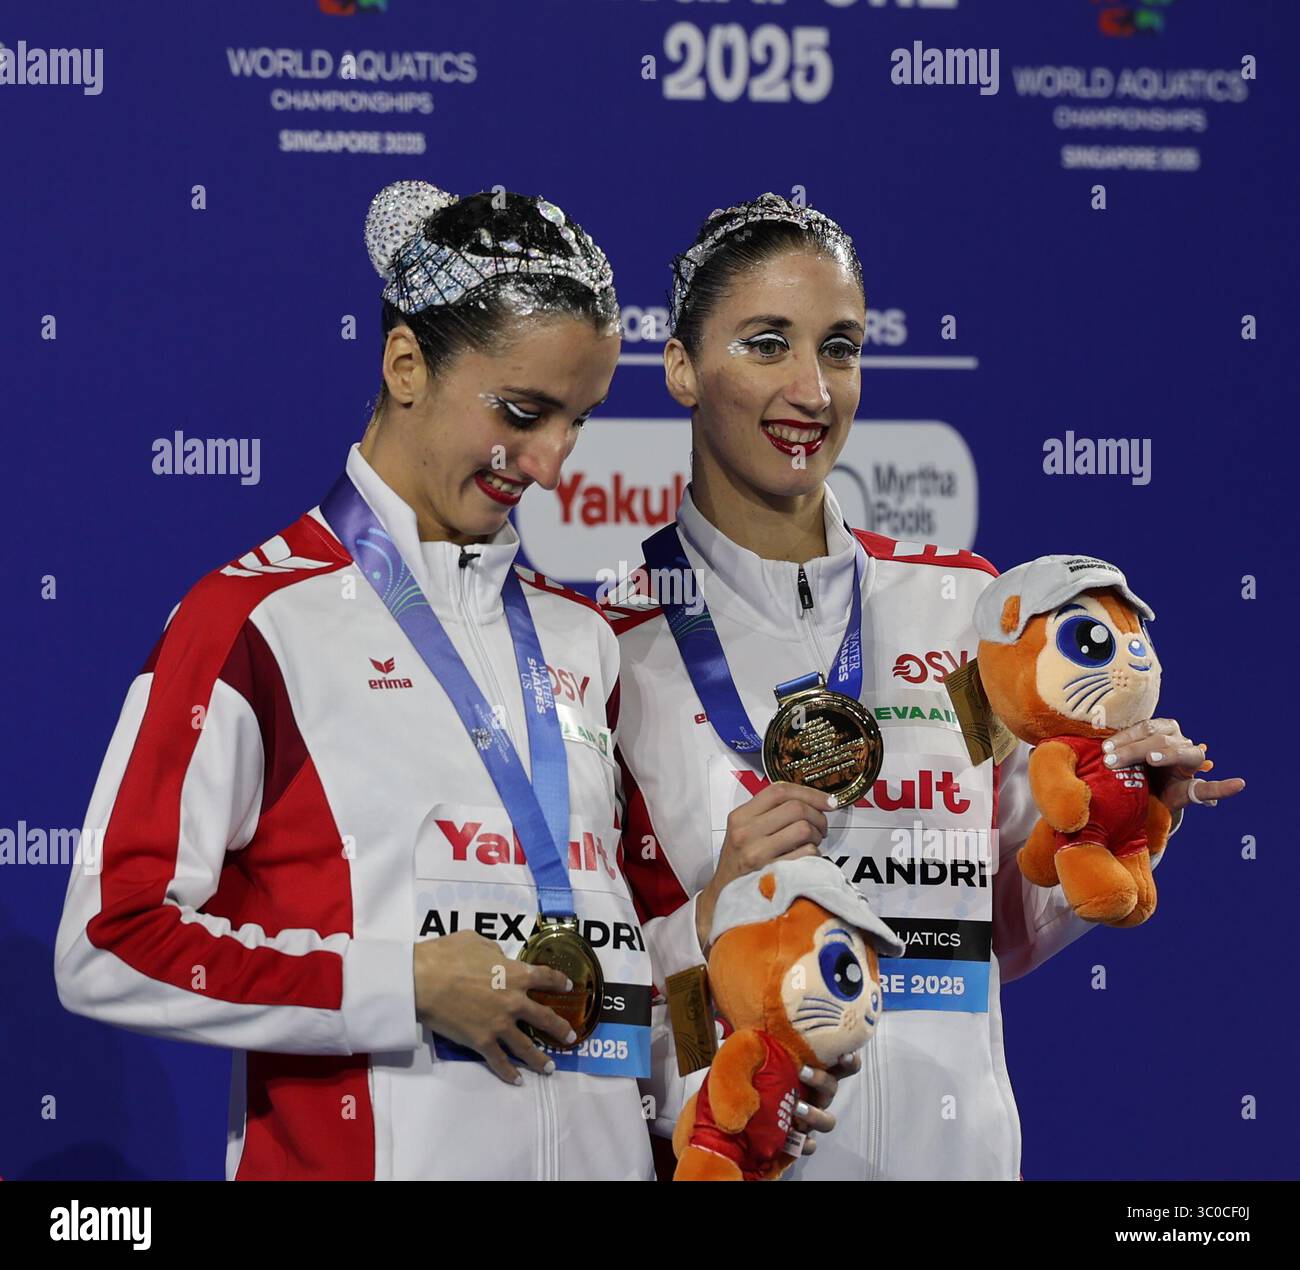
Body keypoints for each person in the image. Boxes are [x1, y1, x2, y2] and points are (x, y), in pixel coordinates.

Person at [606, 192, 1245, 1180]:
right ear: (682, 367)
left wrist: (1114, 821)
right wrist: (712, 913)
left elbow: (1002, 927)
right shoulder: (611, 644)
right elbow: (599, 1016)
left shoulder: (962, 608)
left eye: (842, 347)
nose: (813, 390)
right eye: (767, 343)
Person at [54, 179, 655, 1180]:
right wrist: (400, 982)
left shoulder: (581, 640)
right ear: (406, 362)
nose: (549, 462)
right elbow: (110, 938)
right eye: (522, 410)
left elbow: (621, 955)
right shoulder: (252, 620)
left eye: (579, 421)